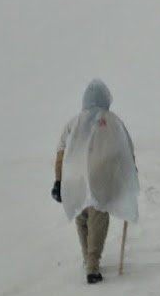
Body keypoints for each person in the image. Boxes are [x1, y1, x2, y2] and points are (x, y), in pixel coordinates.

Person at [53, 79, 138, 284]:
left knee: (82, 216)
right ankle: (92, 264)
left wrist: (58, 181)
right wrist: (130, 172)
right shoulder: (113, 122)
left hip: (76, 179)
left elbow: (61, 154)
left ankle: (88, 259)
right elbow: (125, 149)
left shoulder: (73, 123)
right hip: (102, 178)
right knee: (98, 217)